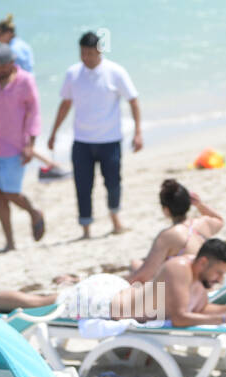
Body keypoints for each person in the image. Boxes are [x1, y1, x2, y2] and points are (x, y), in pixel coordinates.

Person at [0, 239, 226, 330]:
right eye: (218, 273)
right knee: (36, 303)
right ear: (203, 262)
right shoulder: (179, 269)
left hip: (115, 292)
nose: (220, 280)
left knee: (43, 298)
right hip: (102, 302)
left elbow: (202, 308)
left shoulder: (198, 278)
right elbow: (180, 317)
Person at [48, 32, 142, 239]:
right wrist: (53, 132)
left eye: (90, 53)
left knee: (113, 183)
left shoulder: (115, 72)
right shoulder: (73, 74)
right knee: (82, 186)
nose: (86, 57)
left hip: (109, 140)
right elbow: (65, 104)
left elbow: (133, 100)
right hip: (82, 141)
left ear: (99, 50)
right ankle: (86, 228)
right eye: (83, 53)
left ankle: (116, 220)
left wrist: (138, 133)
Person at [0, 44, 46, 252]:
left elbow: (34, 113)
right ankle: (10, 242)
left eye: (3, 65)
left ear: (12, 63)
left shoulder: (25, 81)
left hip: (14, 146)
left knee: (11, 192)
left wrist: (30, 145)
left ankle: (34, 212)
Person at [0, 15, 70, 179]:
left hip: (18, 98)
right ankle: (50, 165)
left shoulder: (12, 52)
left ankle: (52, 165)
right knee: (23, 137)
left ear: (8, 33)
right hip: (29, 94)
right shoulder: (23, 45)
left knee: (20, 138)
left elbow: (14, 76)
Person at [127, 180, 225, 283]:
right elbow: (219, 220)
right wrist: (200, 205)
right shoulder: (204, 223)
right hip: (202, 284)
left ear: (166, 210)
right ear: (189, 203)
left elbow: (145, 276)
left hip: (181, 289)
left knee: (135, 264)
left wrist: (120, 283)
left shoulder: (169, 235)